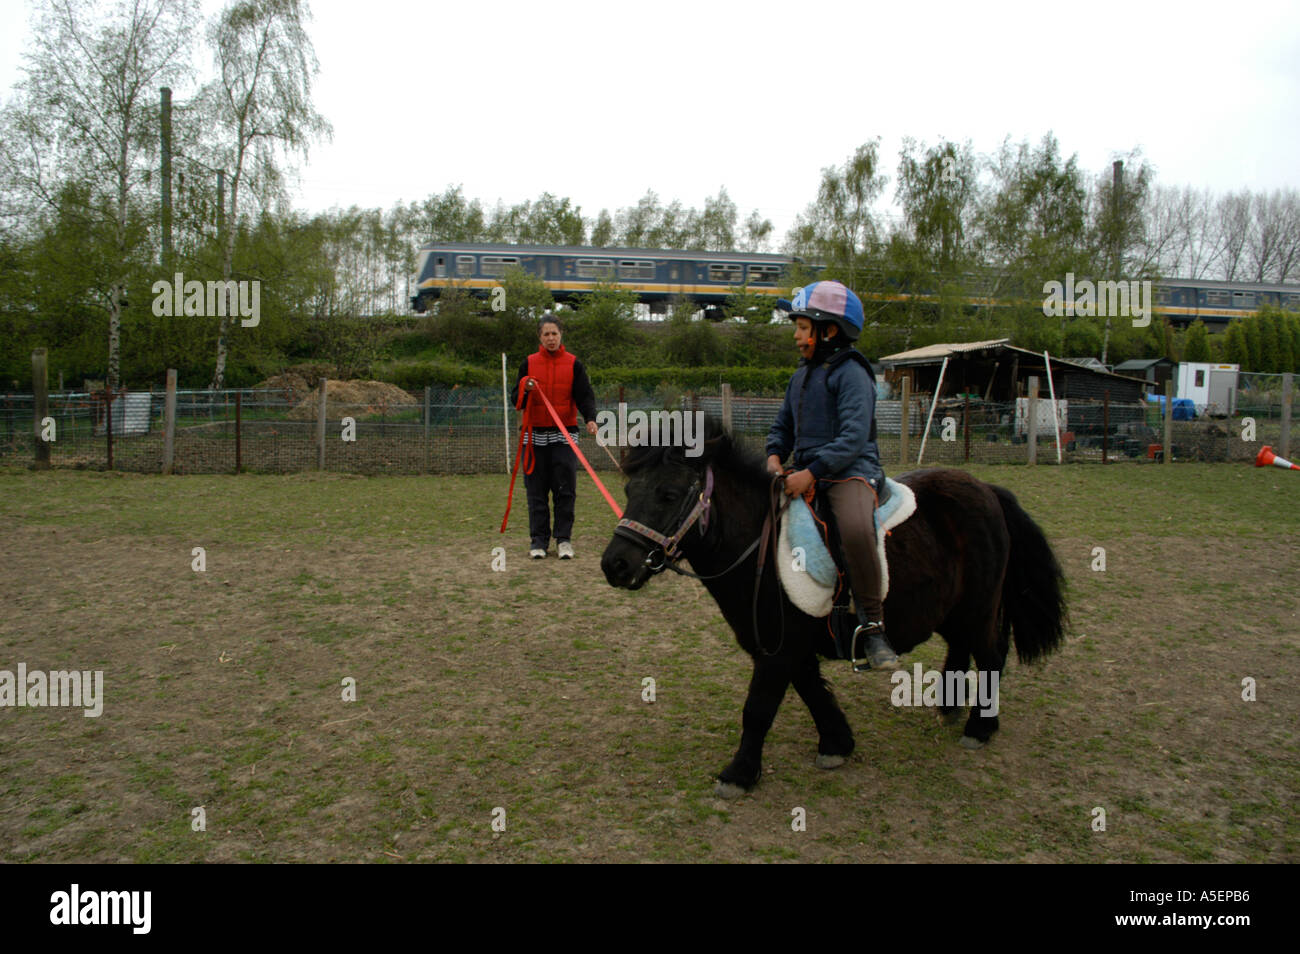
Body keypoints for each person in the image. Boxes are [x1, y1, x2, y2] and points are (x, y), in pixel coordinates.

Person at [764, 281, 898, 672]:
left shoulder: (853, 372)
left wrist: (812, 472)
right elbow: (782, 428)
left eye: (802, 328)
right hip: (806, 469)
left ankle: (873, 626)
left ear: (828, 330)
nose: (796, 336)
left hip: (850, 471)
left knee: (855, 527)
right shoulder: (800, 377)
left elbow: (853, 437)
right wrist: (774, 457)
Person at [515, 314, 598, 559]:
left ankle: (564, 540)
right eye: (546, 334)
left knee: (565, 490)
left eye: (554, 333)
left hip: (564, 437)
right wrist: (525, 387)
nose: (551, 338)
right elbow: (515, 399)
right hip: (534, 439)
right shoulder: (528, 363)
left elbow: (584, 395)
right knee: (536, 492)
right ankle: (538, 542)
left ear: (561, 335)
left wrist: (590, 418)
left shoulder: (574, 364)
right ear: (540, 337)